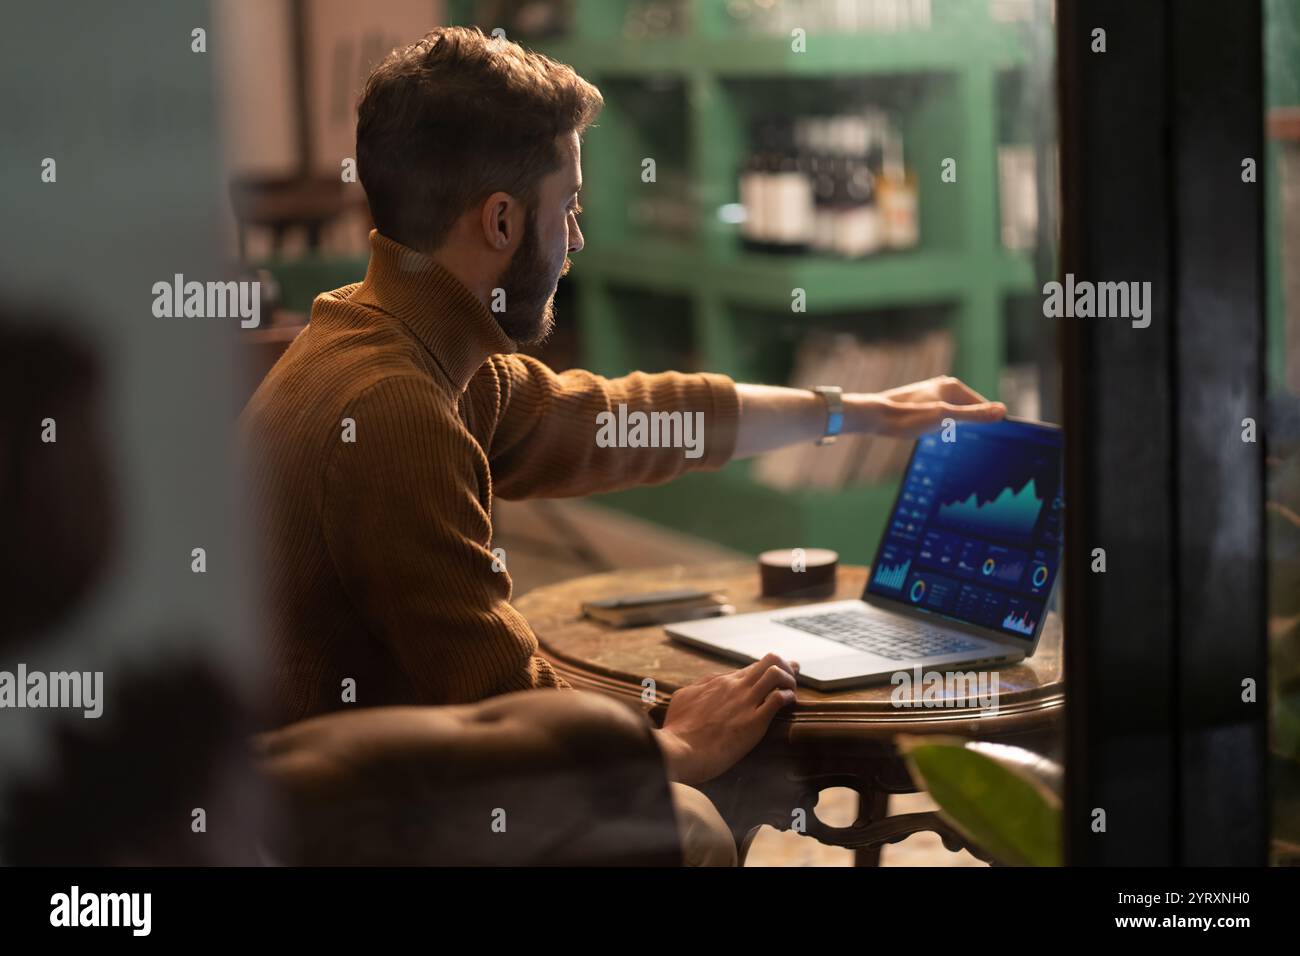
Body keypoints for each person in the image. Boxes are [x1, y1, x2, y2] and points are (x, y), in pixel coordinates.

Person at [239, 26, 1005, 864]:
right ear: (499, 221)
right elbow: (505, 701)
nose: (574, 239)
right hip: (338, 828)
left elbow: (620, 420)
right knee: (690, 821)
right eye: (565, 204)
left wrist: (858, 410)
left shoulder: (391, 332)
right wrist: (672, 745)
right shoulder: (395, 409)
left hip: (357, 777)